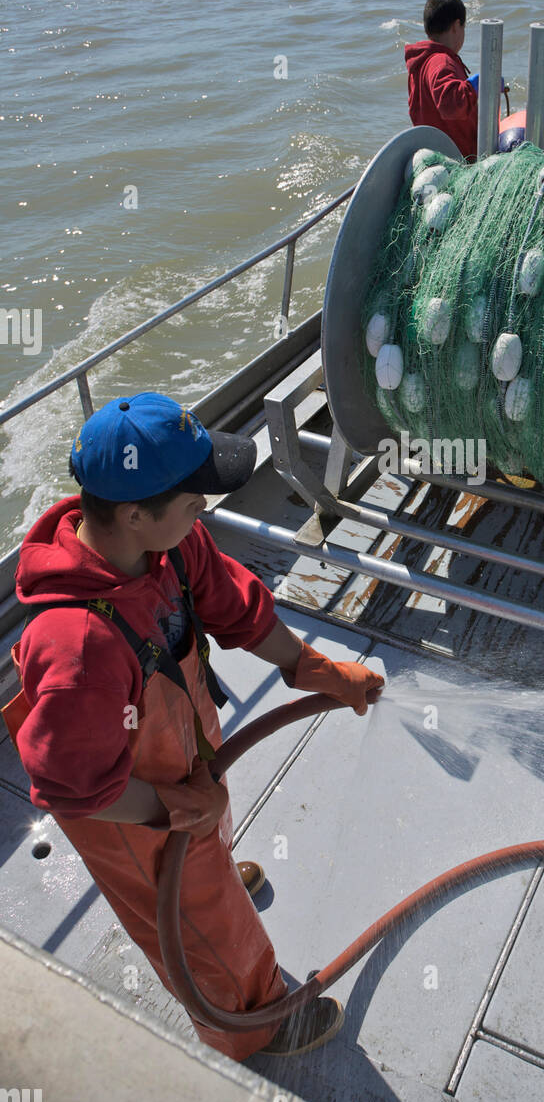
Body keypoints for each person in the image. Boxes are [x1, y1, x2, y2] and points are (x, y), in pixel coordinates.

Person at [1, 393, 384, 1061]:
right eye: (192, 499)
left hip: (179, 752)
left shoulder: (169, 546)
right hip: (123, 807)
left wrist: (314, 668)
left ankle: (212, 871)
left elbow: (237, 608)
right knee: (194, 920)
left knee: (211, 856)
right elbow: (75, 789)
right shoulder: (76, 647)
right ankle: (255, 1024)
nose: (203, 508)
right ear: (133, 514)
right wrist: (176, 806)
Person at [405, 0, 479, 159]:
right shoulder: (441, 62)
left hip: (434, 153)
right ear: (456, 26)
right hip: (455, 159)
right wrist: (475, 86)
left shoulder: (422, 61)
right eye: (463, 27)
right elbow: (451, 106)